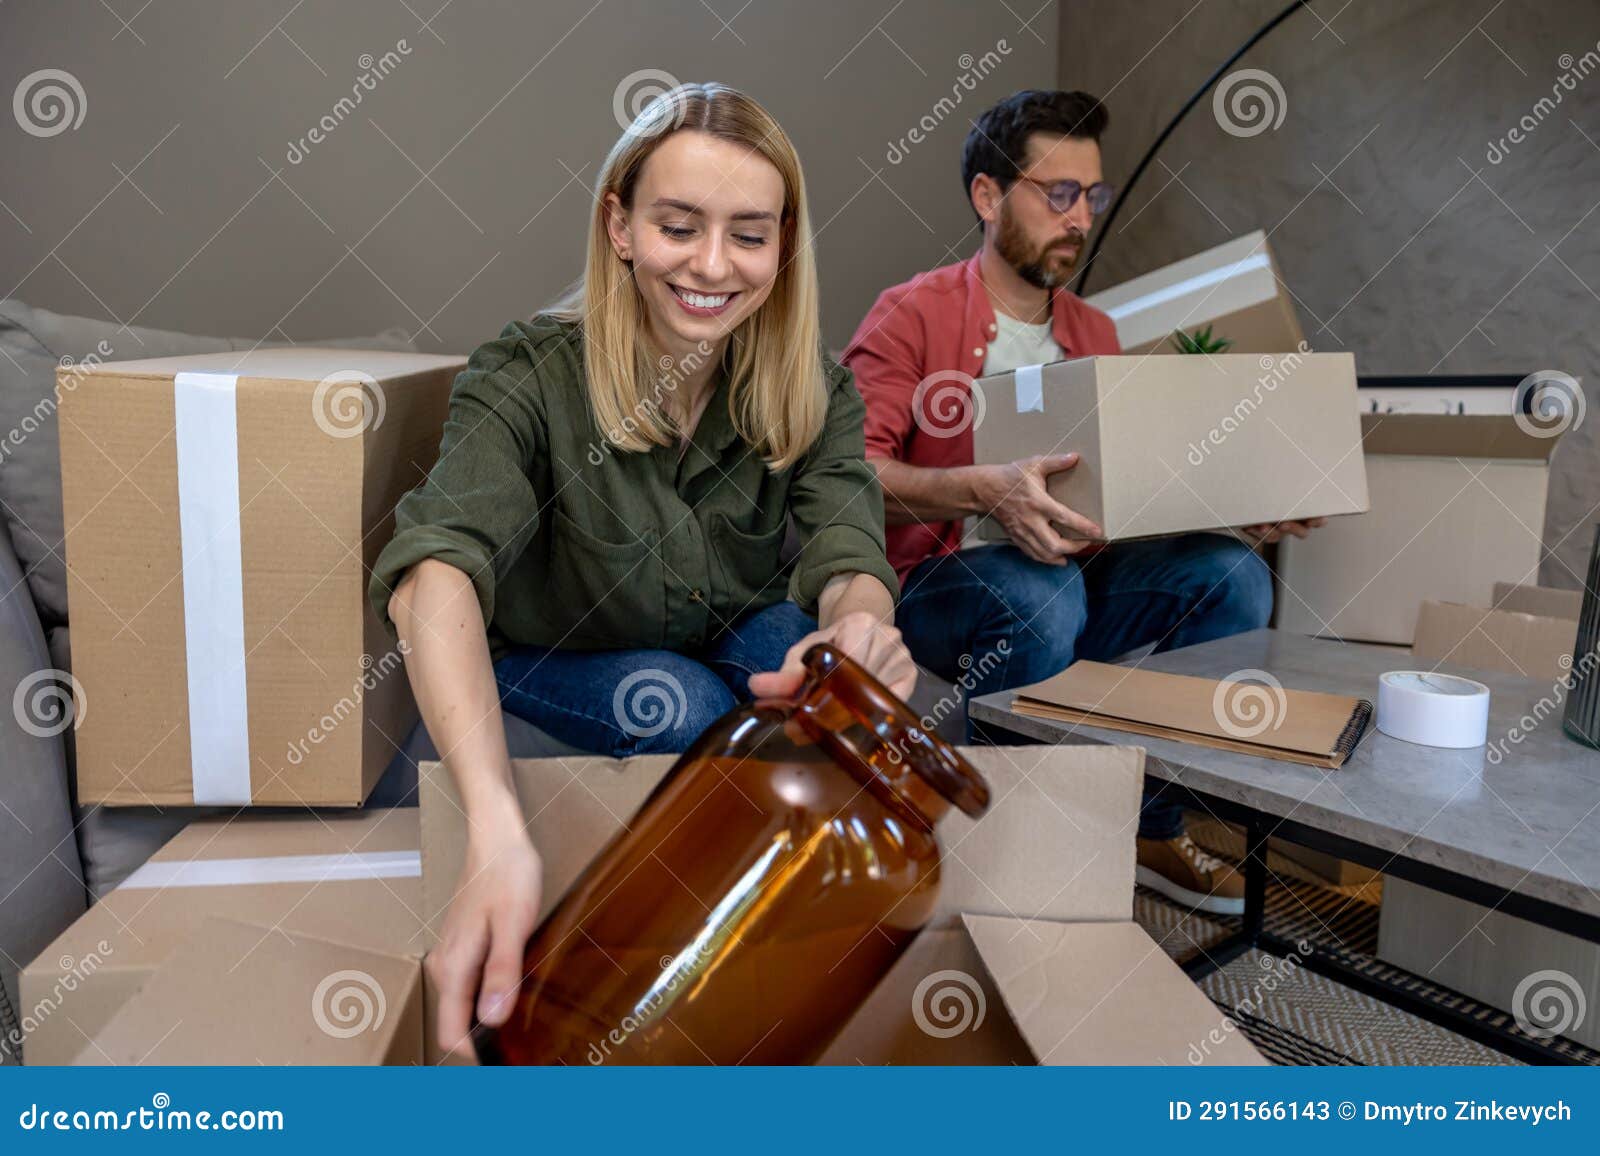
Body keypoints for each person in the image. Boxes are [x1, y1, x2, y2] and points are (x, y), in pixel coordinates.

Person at [371, 83, 913, 1057]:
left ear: (784, 246)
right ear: (619, 226)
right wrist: (494, 825)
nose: (712, 265)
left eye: (748, 235)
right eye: (678, 226)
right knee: (683, 702)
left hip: (721, 632)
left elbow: (846, 550)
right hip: (546, 653)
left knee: (804, 675)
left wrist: (861, 625)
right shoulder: (526, 372)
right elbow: (435, 569)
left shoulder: (812, 385)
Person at [843, 89, 1323, 917]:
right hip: (941, 586)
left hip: (1070, 574)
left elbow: (1127, 489)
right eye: (1057, 193)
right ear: (988, 197)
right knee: (1040, 596)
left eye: (1091, 196)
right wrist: (976, 488)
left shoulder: (1095, 332)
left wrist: (1238, 505)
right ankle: (996, 842)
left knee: (1233, 576)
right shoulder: (912, 313)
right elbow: (846, 476)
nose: (1080, 217)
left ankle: (1148, 828)